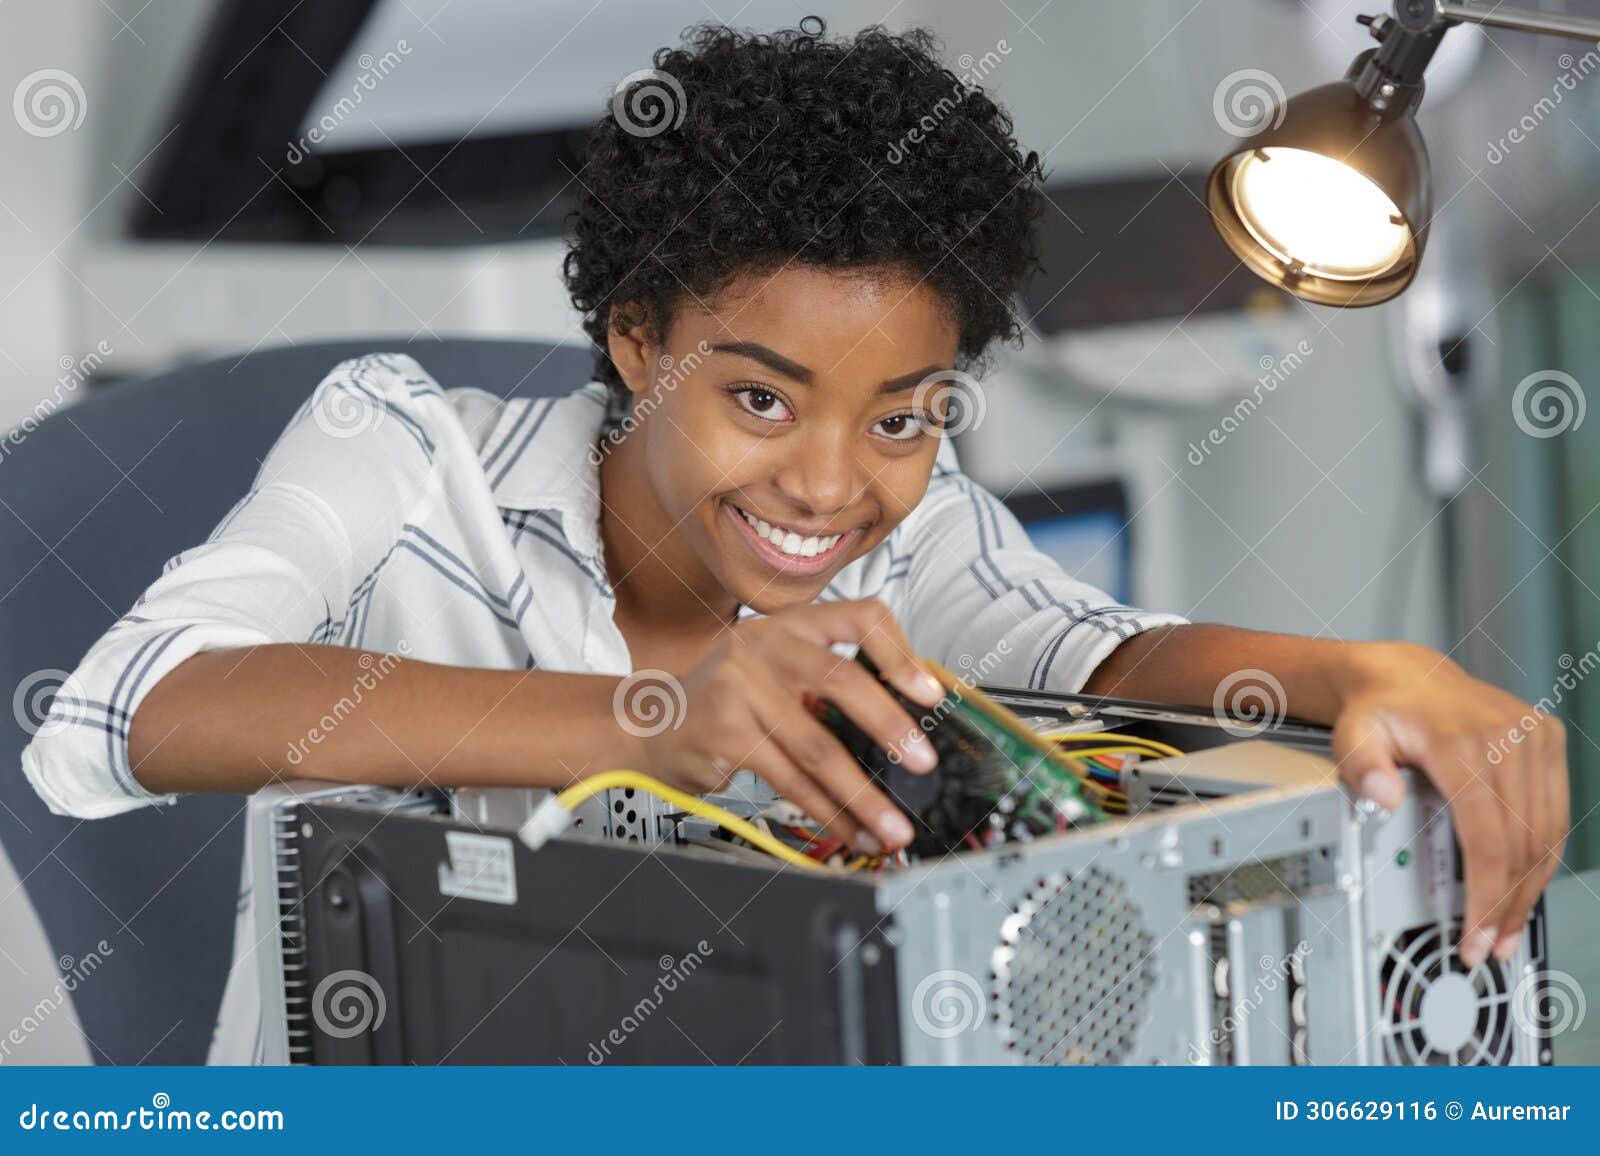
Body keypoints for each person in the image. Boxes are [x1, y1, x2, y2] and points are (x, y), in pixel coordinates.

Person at [22, 20, 1566, 1061]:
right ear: (635, 342)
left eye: (901, 416)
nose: (832, 485)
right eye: (760, 399)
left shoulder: (915, 541)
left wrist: (1368, 667)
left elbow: (1113, 661)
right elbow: (121, 714)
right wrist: (652, 721)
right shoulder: (401, 452)